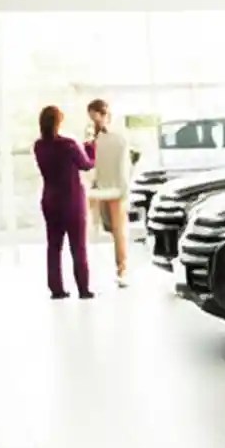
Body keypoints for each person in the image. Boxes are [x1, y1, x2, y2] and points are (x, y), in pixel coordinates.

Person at [33, 105, 95, 299]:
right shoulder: (68, 145)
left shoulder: (39, 146)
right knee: (78, 246)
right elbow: (86, 164)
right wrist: (90, 148)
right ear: (59, 122)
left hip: (50, 200)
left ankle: (56, 288)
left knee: (54, 246)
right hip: (72, 201)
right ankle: (83, 288)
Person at [85, 98, 133, 287]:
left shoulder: (102, 140)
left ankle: (117, 271)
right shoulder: (112, 139)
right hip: (109, 190)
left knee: (103, 231)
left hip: (106, 190)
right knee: (117, 231)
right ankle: (121, 270)